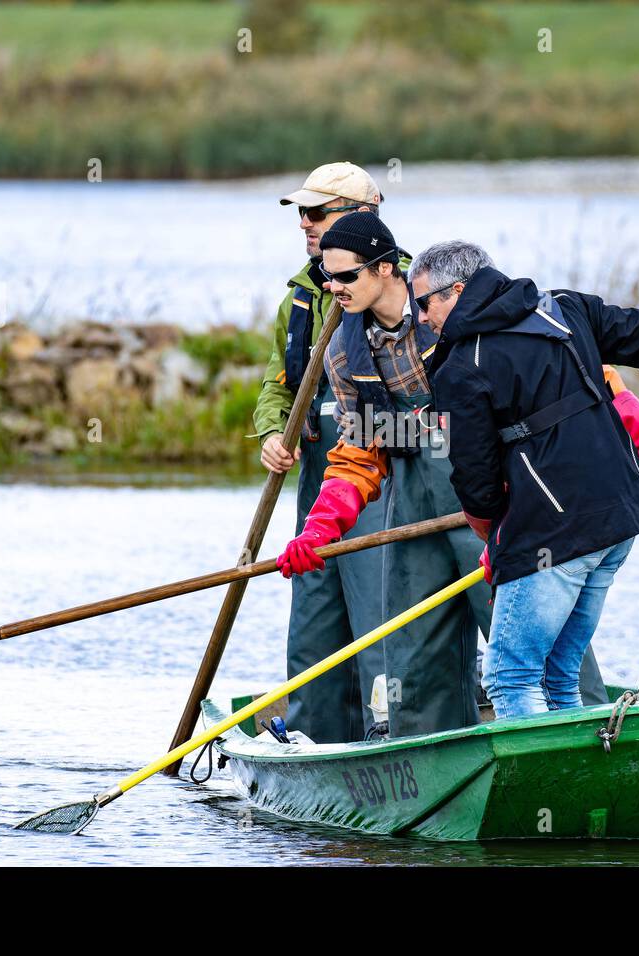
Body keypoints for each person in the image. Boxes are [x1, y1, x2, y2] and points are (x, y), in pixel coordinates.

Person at [414, 240, 639, 719]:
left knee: (509, 676)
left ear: (458, 291)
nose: (422, 317)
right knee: (558, 673)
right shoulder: (565, 308)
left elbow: (475, 479)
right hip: (620, 522)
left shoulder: (461, 366)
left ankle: (541, 792)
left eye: (424, 302)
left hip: (554, 536)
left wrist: (496, 542)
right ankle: (575, 783)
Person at [273, 212, 500, 738]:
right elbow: (358, 450)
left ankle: (575, 736)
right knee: (414, 652)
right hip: (412, 504)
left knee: (520, 633)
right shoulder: (343, 351)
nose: (335, 289)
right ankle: (427, 759)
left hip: (487, 502)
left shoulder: (446, 315)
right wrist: (320, 527)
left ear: (385, 269)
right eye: (327, 278)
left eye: (346, 277)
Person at [251, 162, 387, 743]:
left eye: (317, 212)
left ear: (360, 217)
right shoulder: (301, 297)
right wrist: (272, 433)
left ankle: (390, 732)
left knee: (378, 606)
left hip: (380, 479)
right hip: (315, 478)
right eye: (301, 213)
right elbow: (278, 382)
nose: (304, 223)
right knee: (313, 607)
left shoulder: (394, 284)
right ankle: (314, 741)